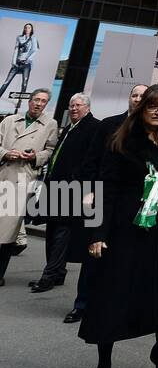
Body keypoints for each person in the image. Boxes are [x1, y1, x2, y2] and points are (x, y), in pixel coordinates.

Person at [79, 84, 158, 368]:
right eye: (153, 105)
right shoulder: (121, 139)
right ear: (142, 108)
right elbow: (106, 188)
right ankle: (104, 361)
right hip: (124, 229)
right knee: (112, 296)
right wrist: (98, 233)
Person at [63, 83, 147, 323]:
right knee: (94, 254)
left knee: (124, 258)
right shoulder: (108, 125)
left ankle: (116, 306)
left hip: (133, 204)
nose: (138, 99)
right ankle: (82, 304)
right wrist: (89, 191)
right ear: (129, 98)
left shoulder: (153, 132)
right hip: (102, 199)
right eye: (135, 94)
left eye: (143, 95)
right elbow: (91, 161)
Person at [31, 93, 101, 294]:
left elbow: (92, 161)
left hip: (72, 190)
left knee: (62, 233)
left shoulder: (93, 127)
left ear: (87, 107)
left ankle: (49, 275)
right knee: (52, 230)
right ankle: (58, 272)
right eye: (71, 105)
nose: (73, 108)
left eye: (78, 105)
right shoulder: (70, 127)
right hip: (55, 187)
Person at [0, 88, 57, 285]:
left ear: (46, 104)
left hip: (22, 179)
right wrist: (6, 153)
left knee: (8, 231)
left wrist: (35, 157)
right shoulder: (9, 121)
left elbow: (50, 150)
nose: (39, 104)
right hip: (2, 174)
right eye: (36, 100)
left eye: (43, 101)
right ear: (29, 101)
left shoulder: (50, 124)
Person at [0, 24, 38, 110]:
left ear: (31, 29)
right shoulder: (19, 37)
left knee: (24, 83)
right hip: (17, 63)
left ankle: (19, 101)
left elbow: (34, 50)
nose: (27, 29)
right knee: (6, 81)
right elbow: (16, 49)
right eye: (25, 27)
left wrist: (28, 59)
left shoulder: (33, 39)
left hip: (26, 64)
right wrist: (13, 62)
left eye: (29, 27)